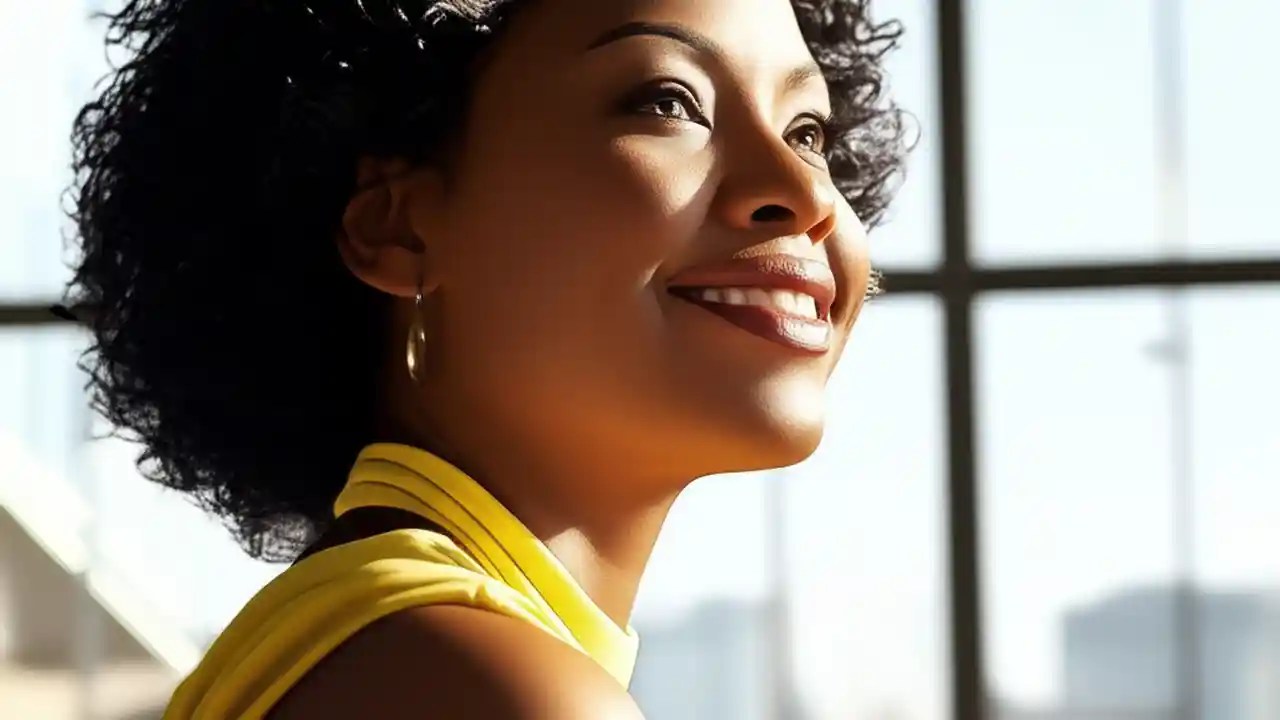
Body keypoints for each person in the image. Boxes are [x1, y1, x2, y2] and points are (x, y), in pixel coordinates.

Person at [65, 0, 907, 716]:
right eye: (668, 100)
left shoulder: (355, 646)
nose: (804, 192)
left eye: (807, 130)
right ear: (398, 228)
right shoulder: (496, 689)